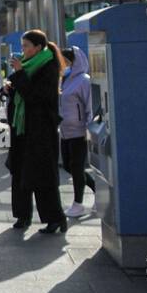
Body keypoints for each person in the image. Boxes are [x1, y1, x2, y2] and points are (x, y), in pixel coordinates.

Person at [2, 29, 66, 233]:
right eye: (22, 47)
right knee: (20, 173)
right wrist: (9, 90)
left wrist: (20, 74)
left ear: (38, 47)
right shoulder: (27, 66)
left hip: (40, 130)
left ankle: (55, 218)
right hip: (22, 129)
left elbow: (36, 97)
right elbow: (21, 92)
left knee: (42, 175)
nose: (23, 50)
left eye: (26, 46)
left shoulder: (48, 66)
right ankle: (23, 215)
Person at [59, 47, 96, 218]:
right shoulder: (65, 79)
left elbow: (89, 105)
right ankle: (96, 190)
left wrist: (88, 130)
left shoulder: (83, 81)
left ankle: (78, 203)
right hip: (65, 130)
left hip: (79, 131)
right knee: (69, 165)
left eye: (67, 60)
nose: (64, 63)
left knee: (76, 166)